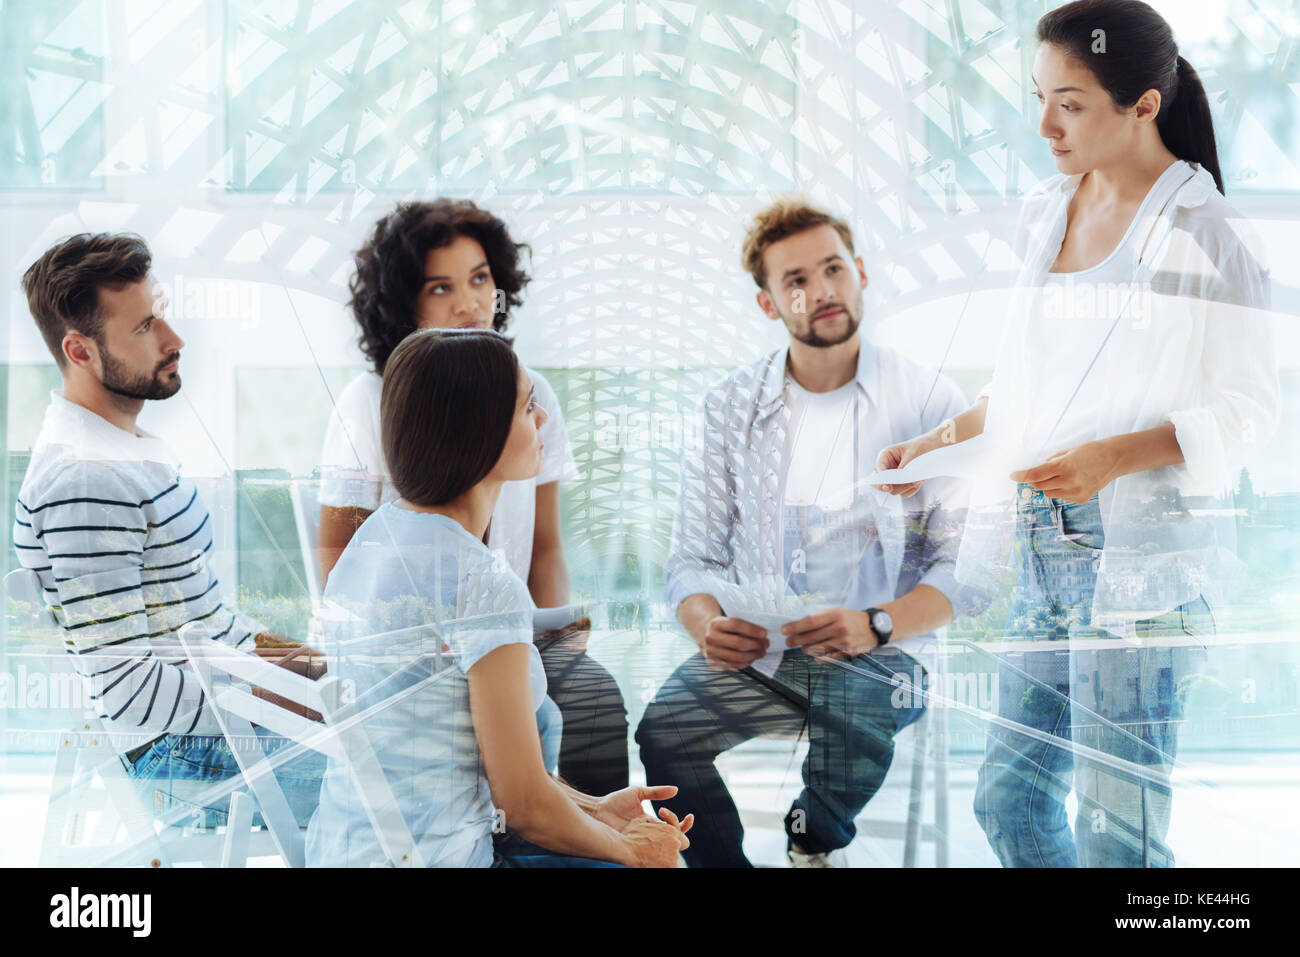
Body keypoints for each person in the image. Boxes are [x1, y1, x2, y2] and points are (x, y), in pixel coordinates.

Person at [876, 0, 1278, 867]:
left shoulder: (1207, 235)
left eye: (1071, 101)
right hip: (1042, 547)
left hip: (1143, 567)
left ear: (1143, 105)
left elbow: (1254, 408)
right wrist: (934, 444)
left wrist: (1112, 459)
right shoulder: (1043, 214)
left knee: (1115, 836)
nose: (1045, 124)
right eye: (1039, 96)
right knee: (1009, 800)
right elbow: (1023, 388)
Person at [634, 198, 986, 867]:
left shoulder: (927, 399)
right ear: (769, 304)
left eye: (832, 269)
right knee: (663, 733)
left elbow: (962, 570)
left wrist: (876, 624)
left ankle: (810, 844)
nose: (821, 290)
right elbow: (690, 560)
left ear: (859, 273)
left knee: (855, 701)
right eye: (795, 280)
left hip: (885, 653)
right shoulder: (727, 409)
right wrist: (706, 622)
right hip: (766, 655)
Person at [306, 328, 692, 867]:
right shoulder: (481, 583)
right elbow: (524, 805)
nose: (544, 420)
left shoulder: (373, 541)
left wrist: (595, 810)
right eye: (528, 406)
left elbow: (482, 765)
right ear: (478, 431)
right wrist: (631, 850)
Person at [318, 199, 628, 795]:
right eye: (441, 287)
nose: (468, 303)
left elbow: (544, 548)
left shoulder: (530, 398)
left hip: (503, 632)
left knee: (593, 700)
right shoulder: (368, 403)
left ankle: (578, 836)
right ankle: (546, 836)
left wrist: (551, 636)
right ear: (403, 302)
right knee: (506, 756)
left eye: (481, 278)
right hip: (410, 657)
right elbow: (340, 567)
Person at [13, 233, 324, 827]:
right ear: (80, 351)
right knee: (439, 761)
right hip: (181, 761)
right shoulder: (85, 481)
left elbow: (209, 624)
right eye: (144, 327)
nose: (173, 340)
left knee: (429, 720)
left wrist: (312, 666)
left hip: (208, 735)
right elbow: (131, 691)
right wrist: (291, 702)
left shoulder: (119, 453)